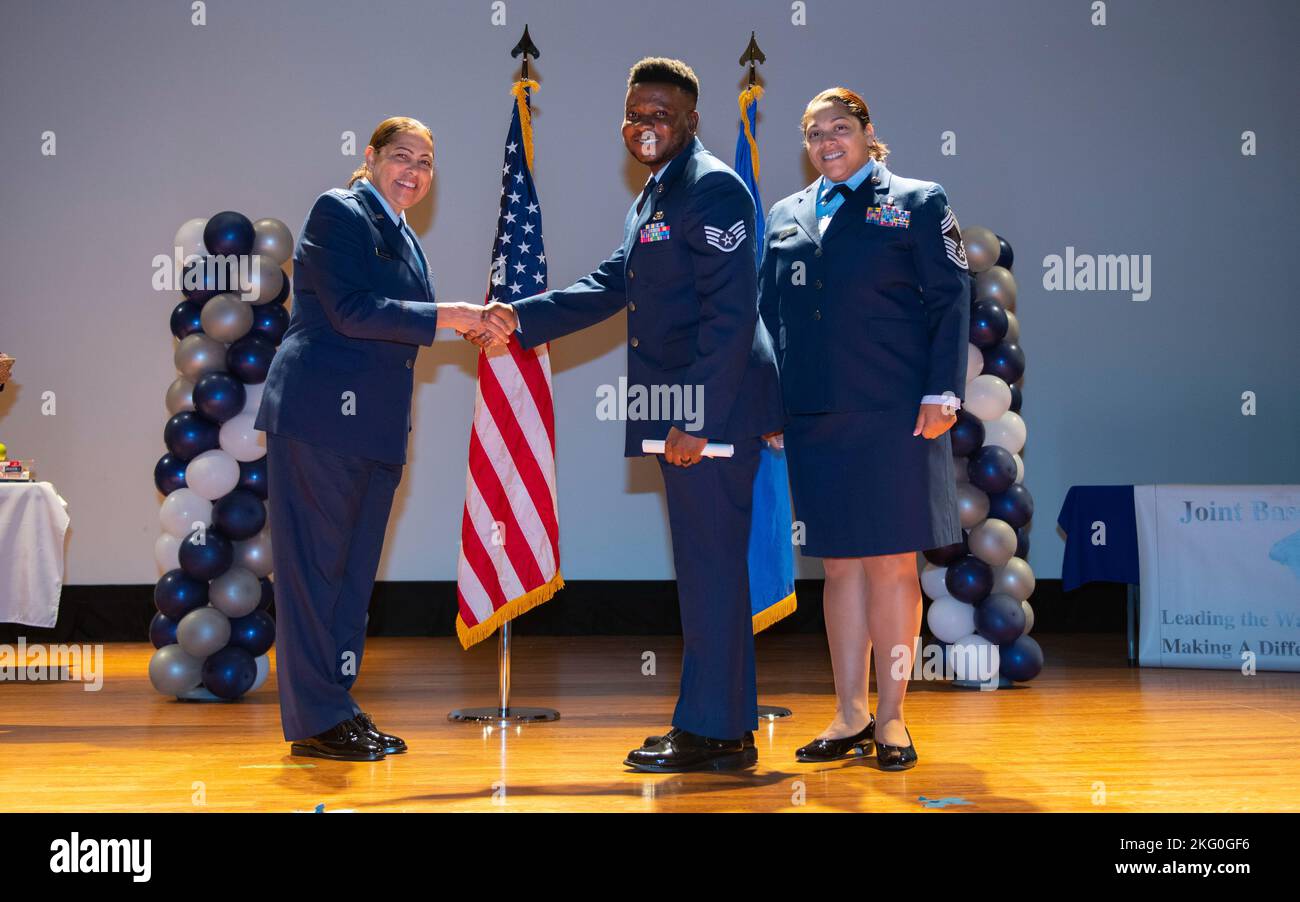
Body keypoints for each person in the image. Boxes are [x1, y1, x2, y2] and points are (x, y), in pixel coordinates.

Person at [471, 58, 783, 772]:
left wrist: (697, 417)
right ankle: (724, 727)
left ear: (692, 122)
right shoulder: (657, 197)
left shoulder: (713, 189)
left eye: (661, 114)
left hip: (712, 405)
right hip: (674, 399)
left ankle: (710, 731)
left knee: (710, 569)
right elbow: (611, 284)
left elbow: (731, 317)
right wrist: (517, 317)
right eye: (636, 114)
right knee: (708, 569)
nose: (646, 126)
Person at [255, 117, 510, 761]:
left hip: (374, 429)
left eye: (426, 163)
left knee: (352, 577)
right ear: (369, 158)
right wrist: (454, 316)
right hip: (320, 421)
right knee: (315, 573)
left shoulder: (406, 238)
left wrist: (466, 323)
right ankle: (314, 721)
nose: (414, 172)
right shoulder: (339, 212)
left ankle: (337, 707)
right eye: (402, 156)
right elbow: (351, 313)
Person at [757, 88, 970, 770]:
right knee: (839, 566)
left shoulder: (918, 200)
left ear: (868, 132)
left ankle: (893, 717)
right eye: (815, 133)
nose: (827, 142)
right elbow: (768, 318)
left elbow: (950, 297)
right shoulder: (786, 215)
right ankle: (849, 712)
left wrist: (943, 391)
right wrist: (769, 404)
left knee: (890, 565)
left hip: (896, 413)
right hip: (814, 416)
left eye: (839, 129)